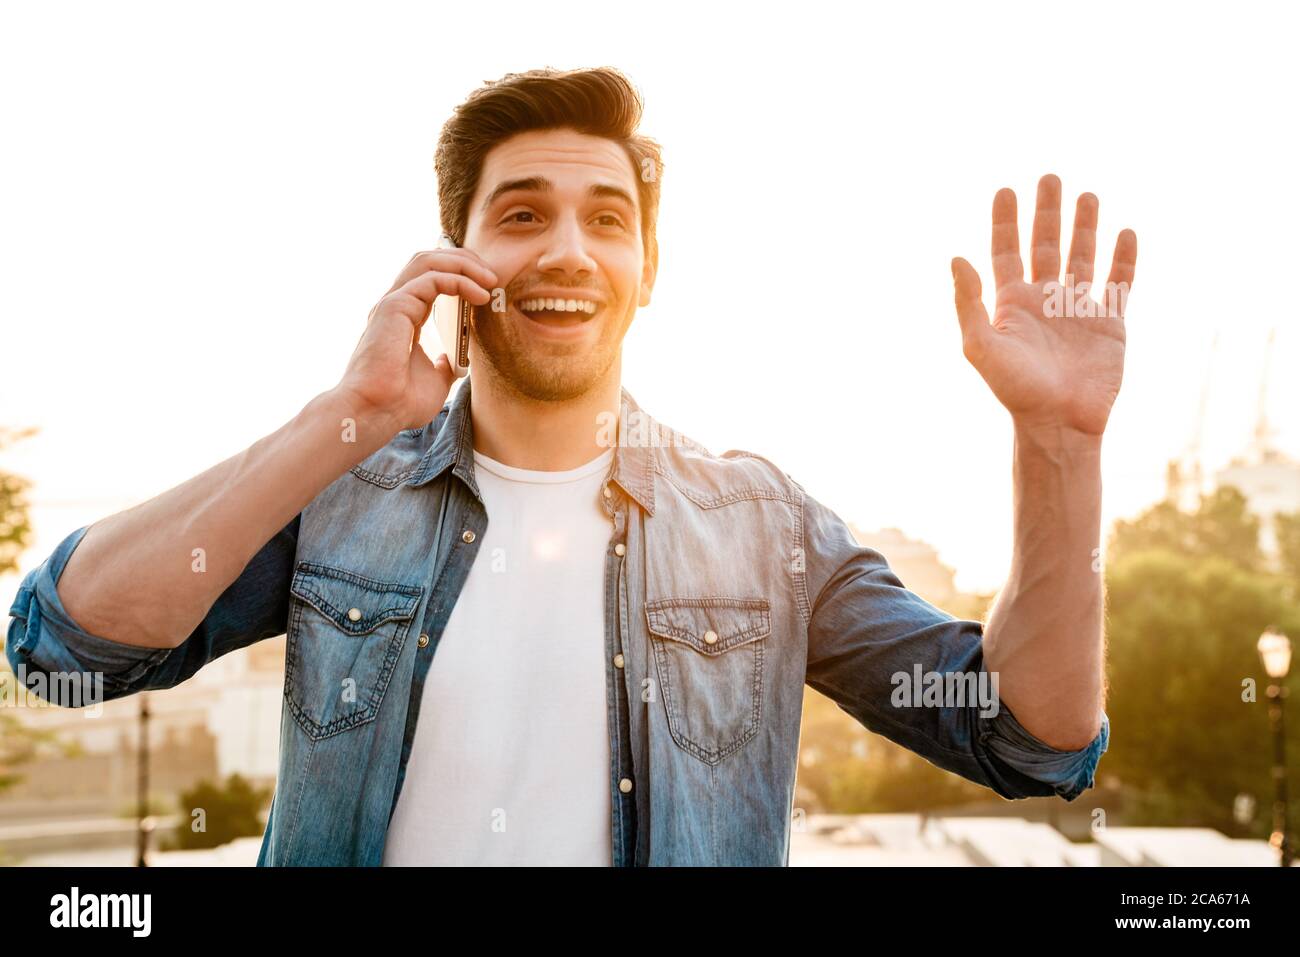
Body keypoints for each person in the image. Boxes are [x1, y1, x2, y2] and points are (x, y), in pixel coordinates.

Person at [5, 66, 1135, 866]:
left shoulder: (765, 529)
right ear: (456, 257)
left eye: (607, 218)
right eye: (521, 213)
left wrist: (1059, 448)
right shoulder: (338, 503)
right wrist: (345, 417)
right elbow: (67, 650)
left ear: (648, 269)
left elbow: (1026, 739)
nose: (565, 249)